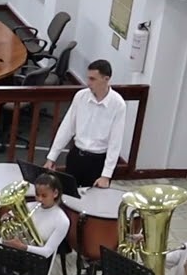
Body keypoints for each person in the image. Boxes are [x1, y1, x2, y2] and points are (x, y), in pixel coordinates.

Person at [44, 59, 127, 189]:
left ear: (106, 79)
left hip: (98, 161)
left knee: (93, 202)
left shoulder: (118, 104)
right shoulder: (80, 97)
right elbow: (67, 128)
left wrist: (106, 175)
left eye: (93, 79)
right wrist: (52, 157)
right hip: (76, 156)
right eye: (88, 78)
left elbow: (115, 142)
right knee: (68, 195)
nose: (88, 83)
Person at [1, 172, 71, 275]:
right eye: (37, 194)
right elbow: (9, 221)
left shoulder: (62, 220)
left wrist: (23, 247)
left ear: (55, 193)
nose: (39, 199)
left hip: (38, 265)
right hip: (18, 256)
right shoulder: (30, 207)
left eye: (44, 195)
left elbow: (47, 251)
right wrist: (6, 219)